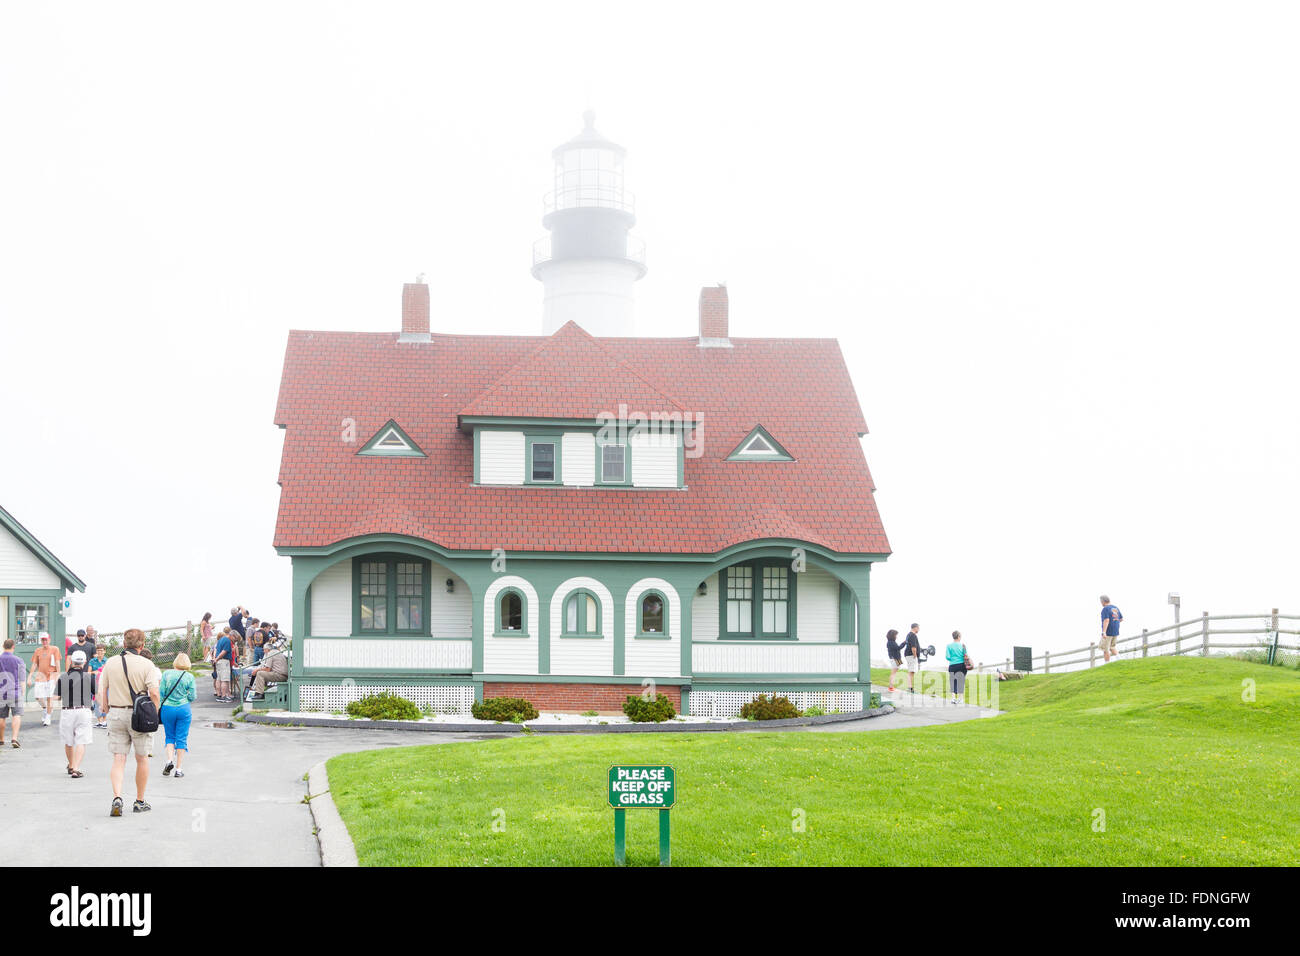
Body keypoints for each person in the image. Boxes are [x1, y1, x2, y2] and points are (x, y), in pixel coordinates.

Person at [97, 628, 161, 816]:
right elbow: (154, 692)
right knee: (141, 758)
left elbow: (102, 691)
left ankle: (117, 797)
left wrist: (107, 709)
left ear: (124, 644)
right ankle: (139, 800)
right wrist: (154, 712)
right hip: (139, 714)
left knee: (118, 758)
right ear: (142, 645)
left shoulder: (110, 663)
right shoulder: (147, 665)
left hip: (116, 712)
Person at [56, 651, 97, 777]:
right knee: (81, 740)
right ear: (84, 662)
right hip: (84, 710)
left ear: (72, 662)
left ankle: (71, 764)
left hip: (68, 710)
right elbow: (96, 693)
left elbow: (57, 696)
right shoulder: (89, 677)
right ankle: (76, 768)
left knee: (69, 741)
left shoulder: (63, 677)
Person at [158, 653, 196, 779]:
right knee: (181, 738)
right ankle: (179, 770)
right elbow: (193, 696)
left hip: (167, 708)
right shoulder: (189, 676)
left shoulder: (166, 674)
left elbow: (161, 692)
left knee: (169, 736)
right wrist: (185, 697)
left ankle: (169, 760)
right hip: (183, 708)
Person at [26, 632, 61, 727]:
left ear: (49, 640)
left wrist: (58, 675)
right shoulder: (38, 650)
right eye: (43, 640)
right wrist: (29, 677)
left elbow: (57, 663)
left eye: (46, 639)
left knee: (49, 697)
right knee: (37, 696)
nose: (44, 641)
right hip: (41, 677)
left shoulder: (55, 649)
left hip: (51, 676)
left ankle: (48, 717)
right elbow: (34, 664)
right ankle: (45, 708)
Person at [0, 639, 26, 748]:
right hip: (15, 692)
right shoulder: (19, 660)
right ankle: (14, 738)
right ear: (13, 647)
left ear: (3, 646)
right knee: (17, 715)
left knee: (1, 717)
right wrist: (22, 692)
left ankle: (1, 739)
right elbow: (22, 679)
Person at [945, 630, 968, 704]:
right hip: (961, 665)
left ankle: (953, 698)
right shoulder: (963, 645)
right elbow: (966, 656)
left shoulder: (948, 646)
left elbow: (947, 657)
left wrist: (953, 659)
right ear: (958, 637)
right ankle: (960, 699)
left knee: (953, 682)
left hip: (952, 665)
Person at [89, 644, 109, 728]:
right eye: (98, 650)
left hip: (104, 685)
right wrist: (95, 672)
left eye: (101, 650)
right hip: (95, 685)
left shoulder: (107, 661)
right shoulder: (92, 661)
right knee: (96, 703)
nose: (99, 652)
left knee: (105, 701)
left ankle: (105, 721)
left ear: (104, 651)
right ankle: (99, 721)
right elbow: (88, 672)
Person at [213, 628, 234, 702]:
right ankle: (224, 696)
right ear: (232, 635)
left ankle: (219, 695)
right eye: (234, 638)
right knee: (224, 680)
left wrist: (216, 659)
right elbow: (224, 651)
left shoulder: (220, 640)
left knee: (219, 679)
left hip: (219, 661)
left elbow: (217, 650)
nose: (234, 640)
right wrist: (217, 658)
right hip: (224, 661)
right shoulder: (227, 640)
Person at [1100, 595, 1123, 663]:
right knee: (1112, 647)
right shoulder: (1115, 608)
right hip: (1115, 630)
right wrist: (1114, 623)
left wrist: (1104, 632)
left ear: (1103, 601)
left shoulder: (1105, 609)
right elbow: (1121, 619)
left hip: (1108, 632)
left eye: (1101, 602)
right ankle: (1120, 660)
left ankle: (1107, 663)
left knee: (1105, 648)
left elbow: (1106, 620)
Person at [902, 623, 922, 693]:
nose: (919, 629)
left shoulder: (908, 635)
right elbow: (913, 647)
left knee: (911, 671)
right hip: (911, 655)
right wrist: (915, 655)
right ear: (915, 628)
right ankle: (910, 688)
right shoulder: (913, 635)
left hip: (908, 654)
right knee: (911, 672)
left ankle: (910, 688)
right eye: (918, 628)